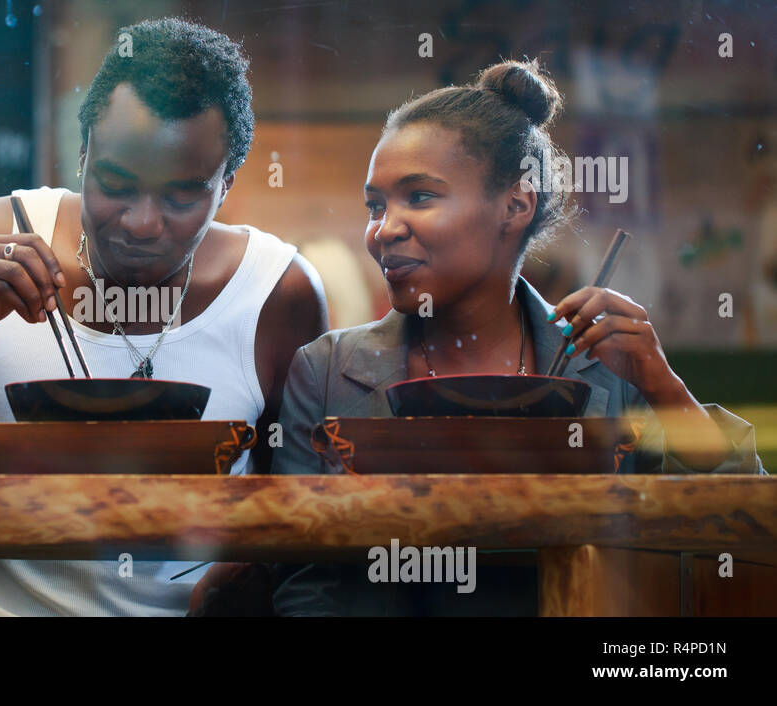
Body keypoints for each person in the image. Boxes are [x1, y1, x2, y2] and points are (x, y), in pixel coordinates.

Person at [270, 59, 765, 616]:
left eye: (421, 197)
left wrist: (664, 385)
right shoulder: (328, 369)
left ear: (516, 204)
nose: (384, 229)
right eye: (376, 206)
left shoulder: (598, 364)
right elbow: (304, 578)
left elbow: (732, 534)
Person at [0, 17, 328, 616]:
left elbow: (305, 521)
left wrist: (252, 576)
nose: (142, 223)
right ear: (82, 155)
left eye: (181, 196)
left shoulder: (278, 293)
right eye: (115, 184)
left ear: (225, 185)